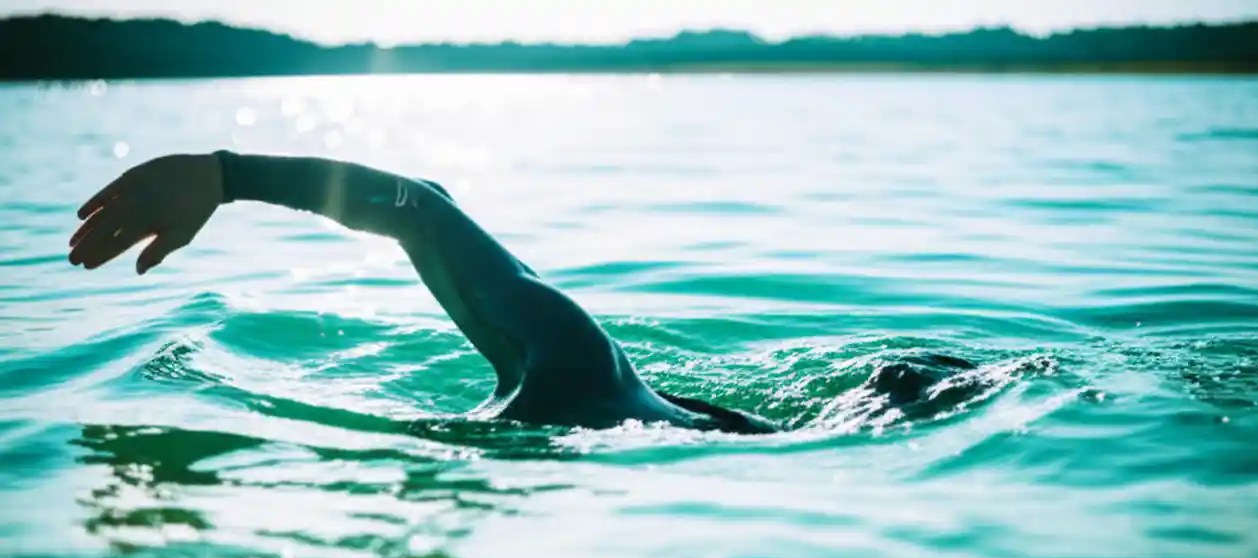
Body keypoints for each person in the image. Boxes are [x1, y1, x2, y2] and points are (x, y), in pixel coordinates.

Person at [68, 152, 781, 434]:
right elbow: (424, 211)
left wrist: (230, 177)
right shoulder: (579, 370)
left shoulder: (584, 371)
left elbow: (425, 212)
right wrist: (227, 177)